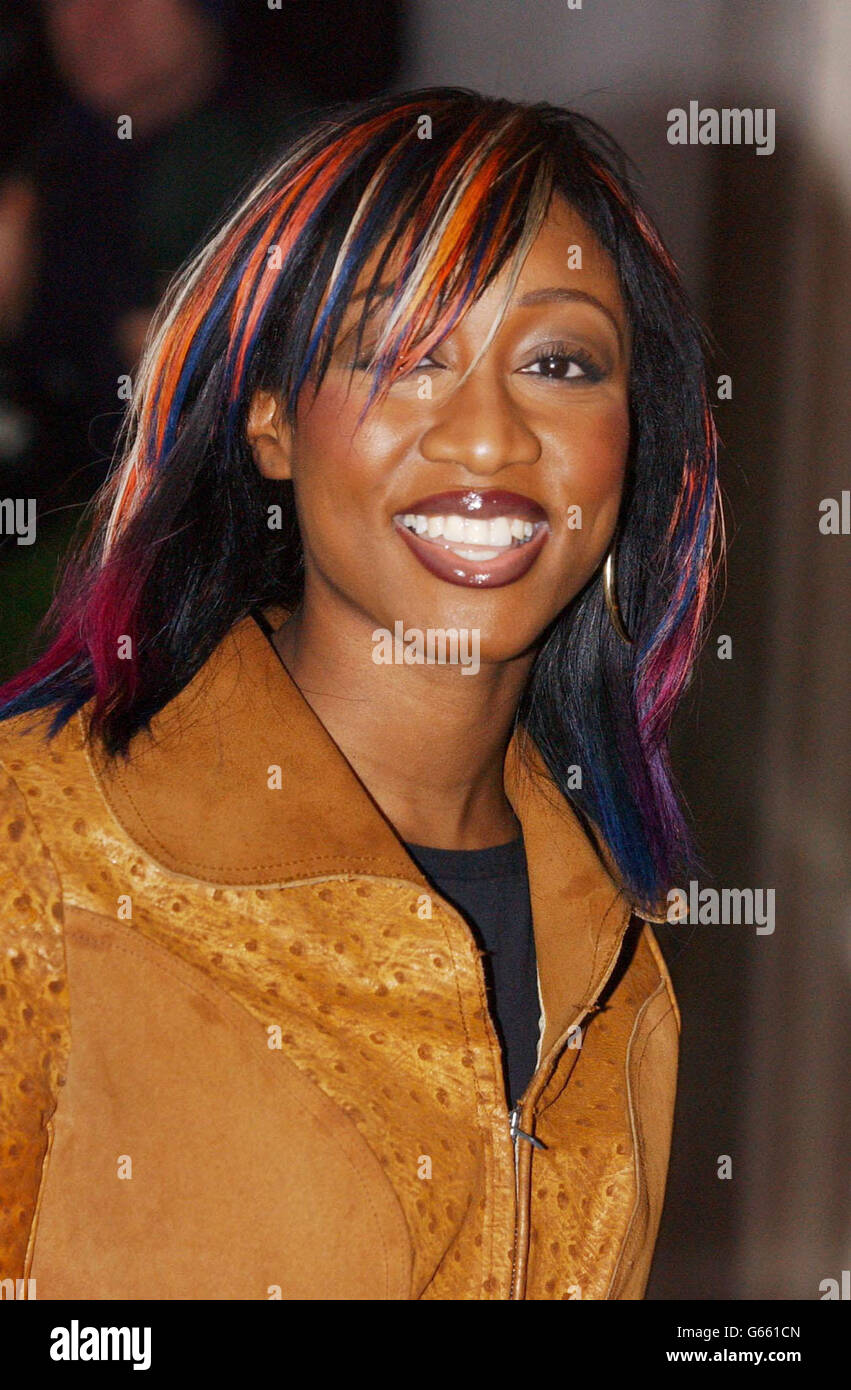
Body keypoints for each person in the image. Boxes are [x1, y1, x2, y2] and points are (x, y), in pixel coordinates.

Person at [0, 87, 722, 1300]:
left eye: (557, 362)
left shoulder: (617, 962)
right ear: (272, 416)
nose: (486, 438)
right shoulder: (43, 846)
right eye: (404, 355)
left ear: (631, 438)